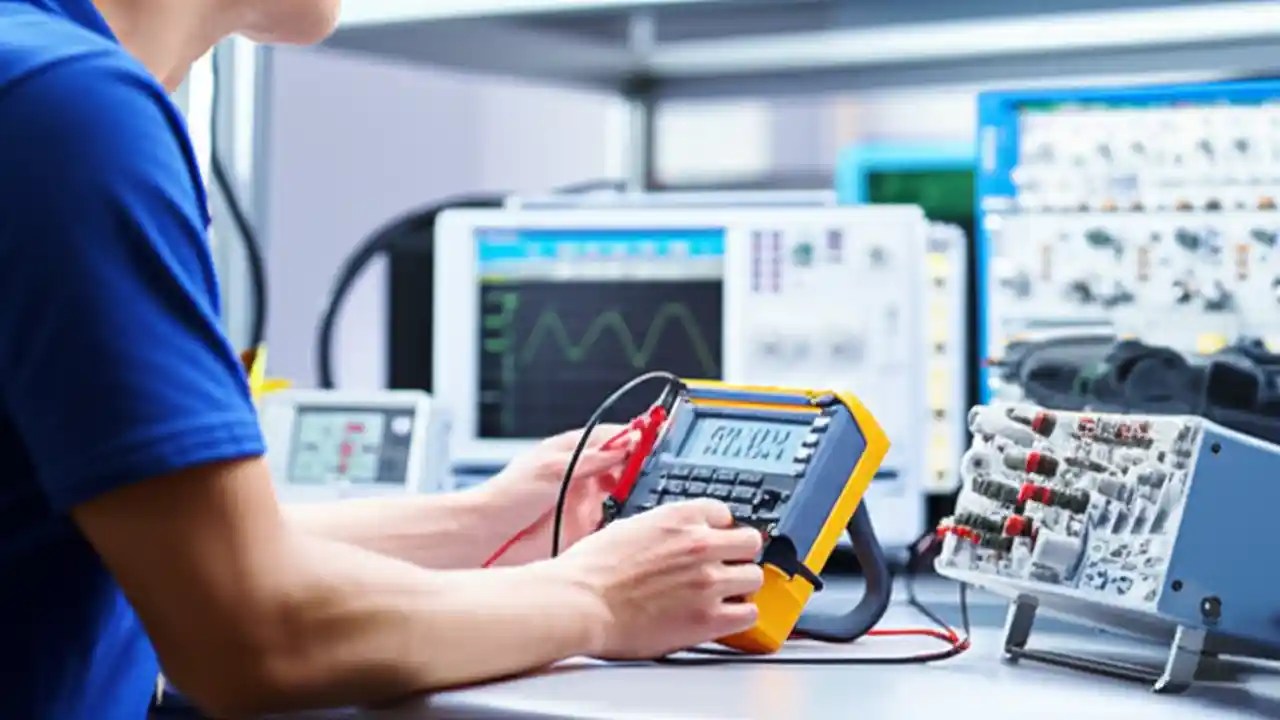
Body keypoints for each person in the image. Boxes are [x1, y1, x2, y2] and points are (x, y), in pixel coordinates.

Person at [0, 0, 766, 718]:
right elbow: (252, 630)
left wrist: (478, 521)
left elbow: (173, 557)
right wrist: (596, 599)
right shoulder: (70, 111)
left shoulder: (36, 80)